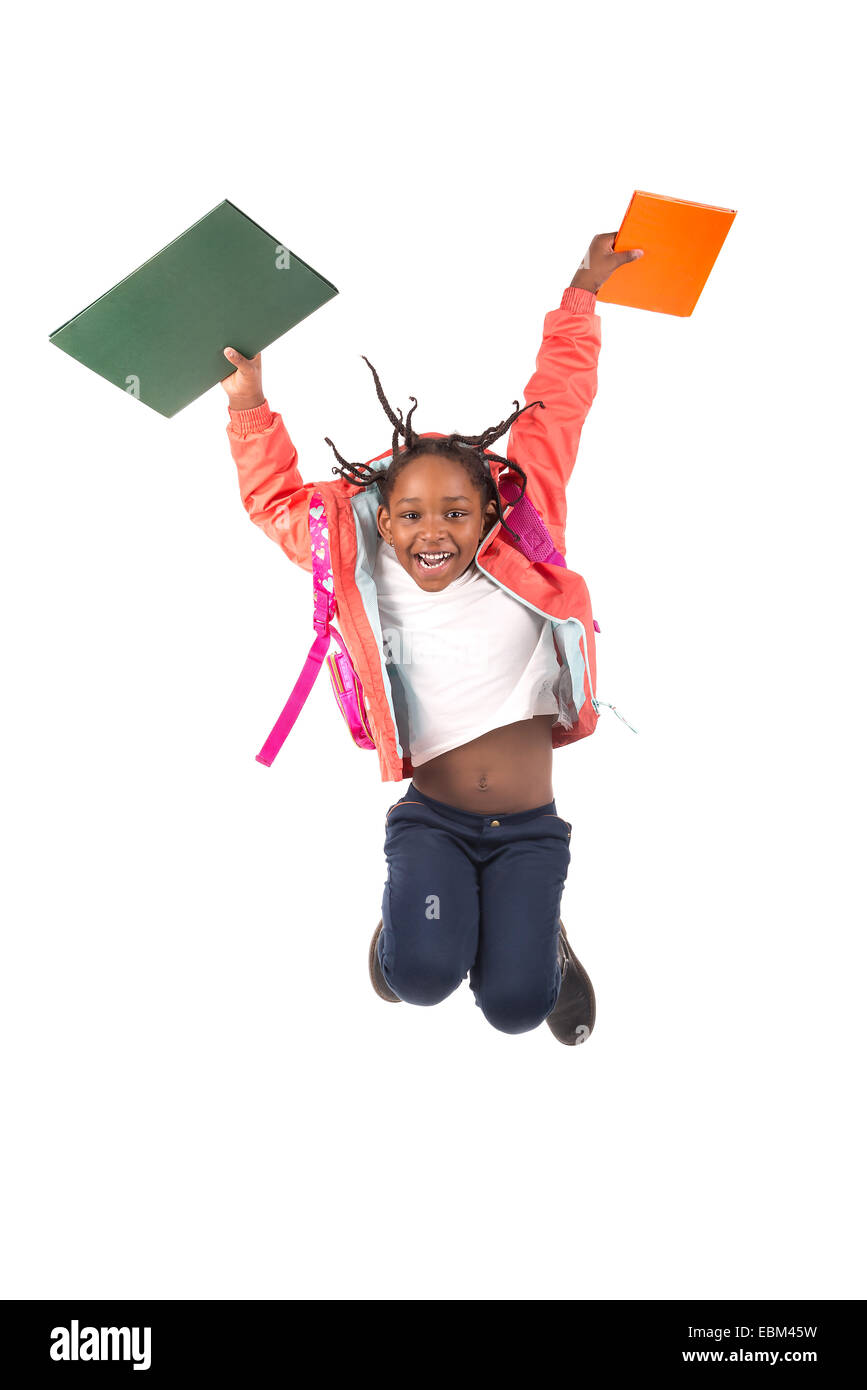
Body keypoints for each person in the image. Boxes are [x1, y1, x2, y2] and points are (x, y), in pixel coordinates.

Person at [221, 232, 642, 1046]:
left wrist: (580, 297)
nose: (432, 530)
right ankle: (415, 935)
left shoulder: (528, 539)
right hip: (435, 823)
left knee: (517, 1009)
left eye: (455, 511)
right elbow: (276, 500)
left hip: (528, 829)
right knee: (417, 981)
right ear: (384, 518)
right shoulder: (357, 562)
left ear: (489, 513)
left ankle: (538, 937)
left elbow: (557, 407)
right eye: (410, 515)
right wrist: (248, 404)